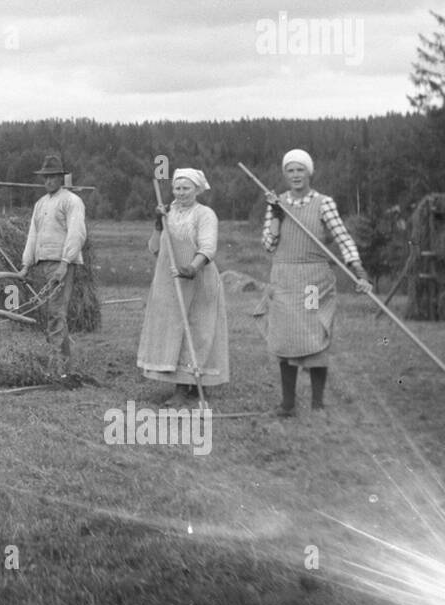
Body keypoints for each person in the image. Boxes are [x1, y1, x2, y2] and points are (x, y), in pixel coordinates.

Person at [253, 149, 372, 417]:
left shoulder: (323, 203)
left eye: (300, 170)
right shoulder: (277, 203)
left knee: (313, 335)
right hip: (284, 278)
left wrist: (358, 270)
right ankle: (288, 405)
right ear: (285, 174)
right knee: (285, 337)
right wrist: (276, 216)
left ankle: (317, 404)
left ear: (309, 173)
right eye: (290, 171)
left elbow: (343, 238)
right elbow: (268, 245)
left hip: (312, 281)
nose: (296, 175)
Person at [136, 169, 228, 402]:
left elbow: (208, 247)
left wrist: (192, 268)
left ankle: (194, 385)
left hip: (198, 279)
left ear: (197, 190)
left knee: (197, 330)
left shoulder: (205, 214)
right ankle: (181, 385)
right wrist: (158, 224)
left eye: (186, 188)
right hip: (170, 281)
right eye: (177, 188)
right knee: (173, 329)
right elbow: (154, 249)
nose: (181, 193)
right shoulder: (166, 213)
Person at [20, 153, 87, 374]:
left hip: (61, 265)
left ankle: (60, 368)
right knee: (47, 314)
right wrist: (26, 265)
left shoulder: (71, 201)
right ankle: (57, 364)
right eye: (45, 177)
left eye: (52, 177)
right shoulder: (40, 204)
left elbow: (76, 233)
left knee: (57, 313)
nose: (48, 181)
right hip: (42, 264)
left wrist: (65, 263)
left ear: (61, 178)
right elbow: (33, 235)